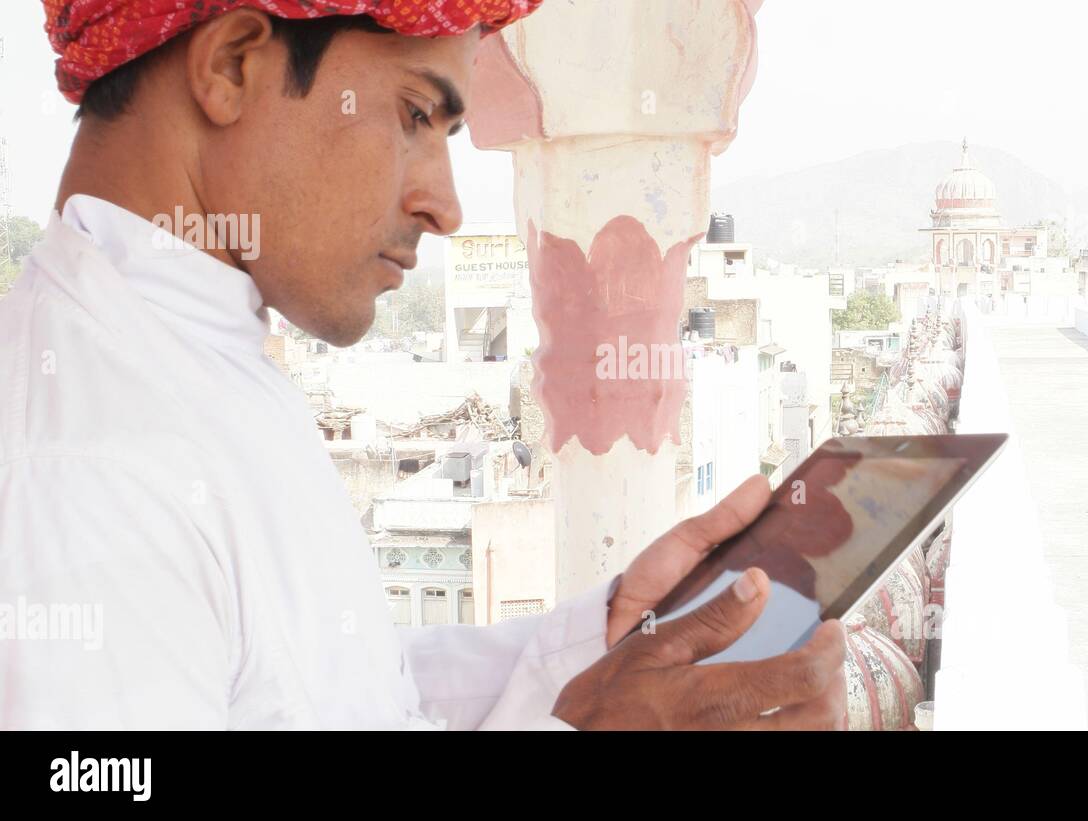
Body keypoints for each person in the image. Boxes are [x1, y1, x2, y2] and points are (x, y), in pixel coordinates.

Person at [0, 1, 846, 730]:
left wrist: (605, 634)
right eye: (413, 116)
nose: (443, 206)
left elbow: (346, 691)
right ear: (231, 65)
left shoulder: (188, 352)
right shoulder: (87, 462)